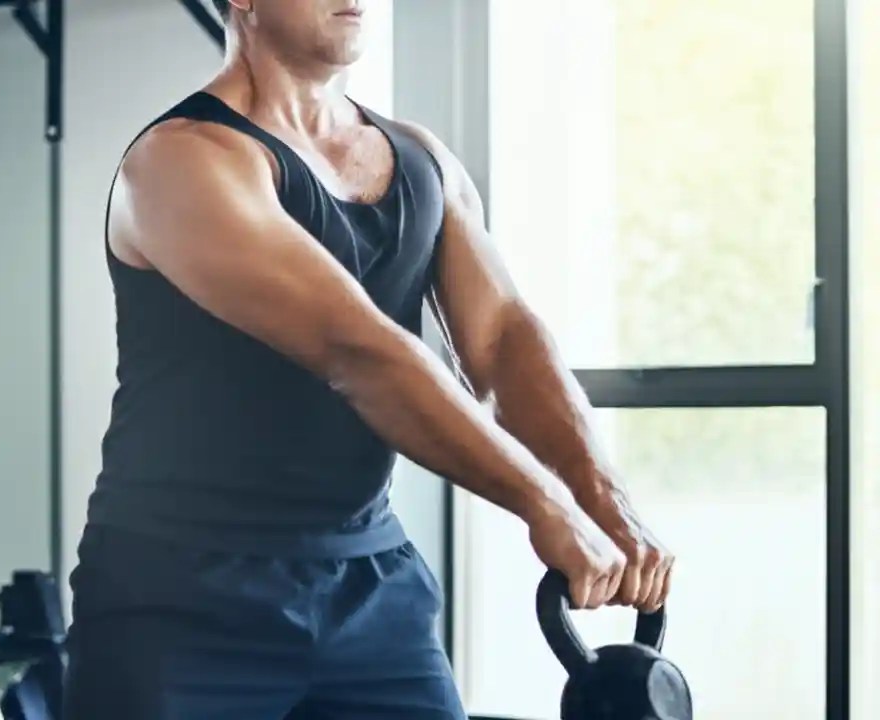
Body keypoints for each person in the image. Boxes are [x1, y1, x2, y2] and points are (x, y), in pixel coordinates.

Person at [62, 1, 674, 718]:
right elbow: (356, 352)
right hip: (177, 592)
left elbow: (502, 337)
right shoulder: (181, 160)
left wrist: (600, 494)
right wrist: (545, 503)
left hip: (370, 586)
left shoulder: (422, 161)